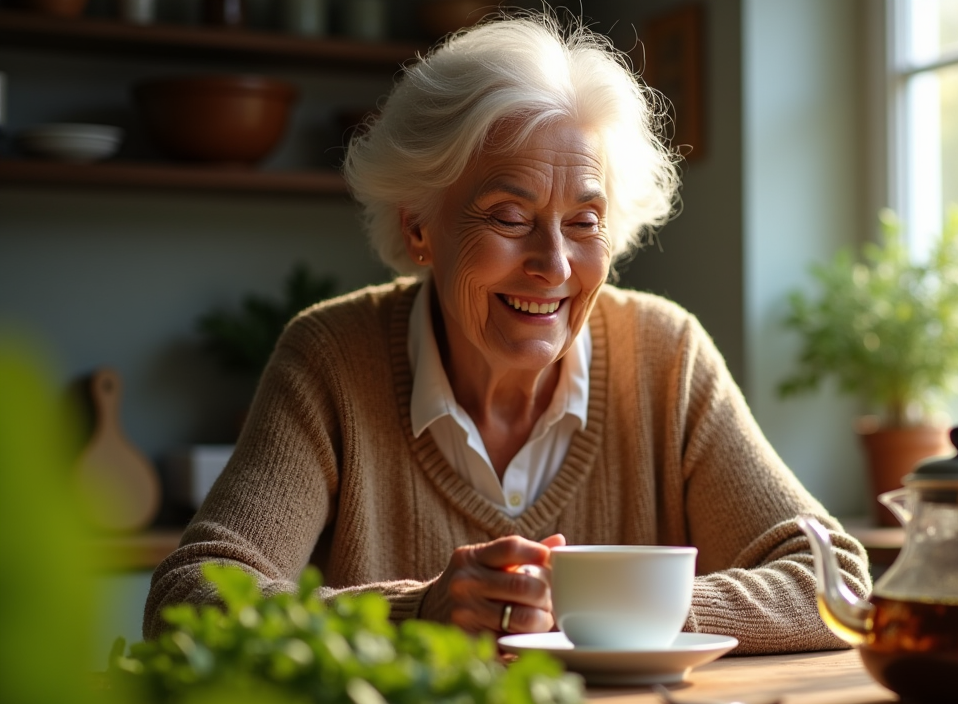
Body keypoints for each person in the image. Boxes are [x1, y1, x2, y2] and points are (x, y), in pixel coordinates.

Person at [144, 12, 871, 653]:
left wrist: (601, 608)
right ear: (420, 225)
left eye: (584, 223)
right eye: (509, 217)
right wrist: (415, 613)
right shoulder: (333, 358)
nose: (553, 265)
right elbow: (189, 602)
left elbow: (834, 580)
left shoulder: (667, 355)